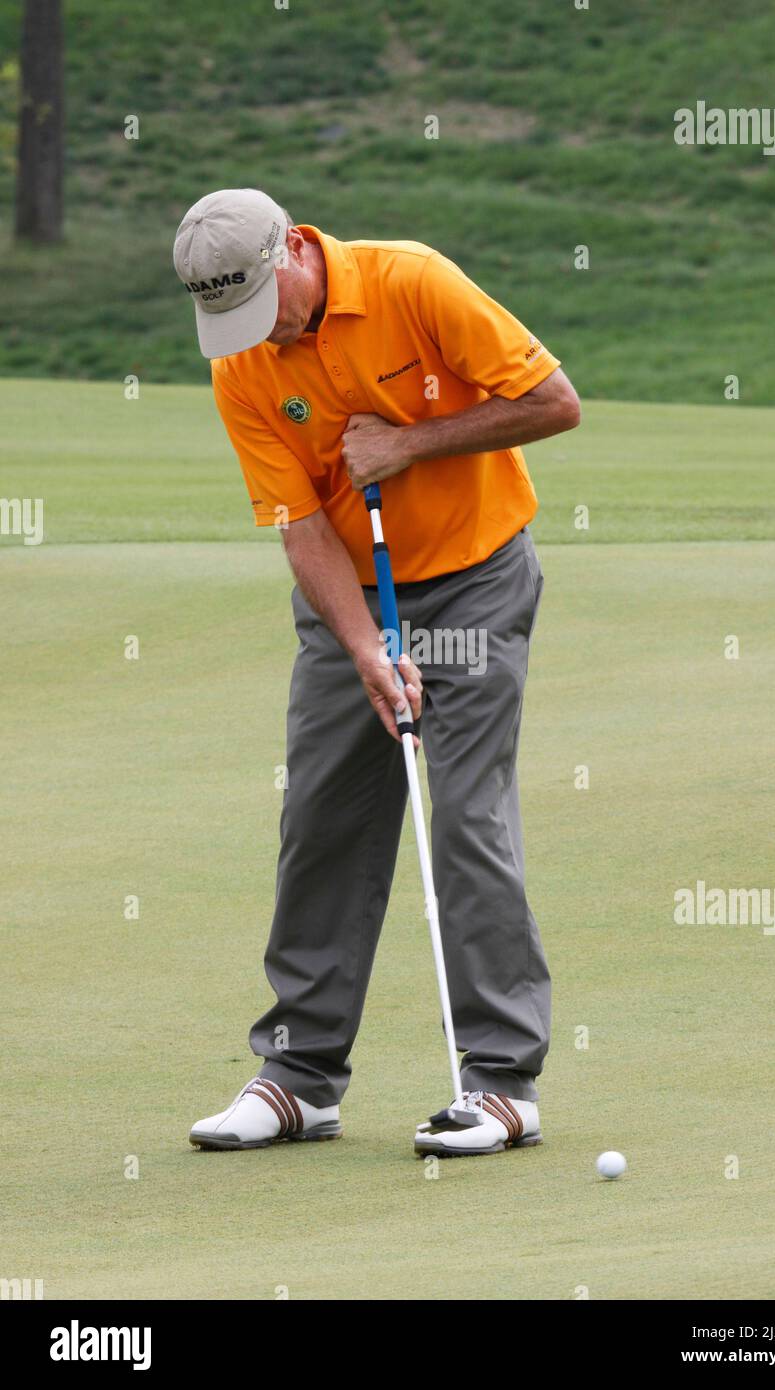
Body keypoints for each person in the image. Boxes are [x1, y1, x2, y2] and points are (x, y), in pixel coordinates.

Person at [172, 188, 580, 1157]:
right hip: (349, 601)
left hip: (475, 578)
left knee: (465, 817)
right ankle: (299, 1077)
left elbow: (552, 402)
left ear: (293, 256)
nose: (252, 334)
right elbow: (299, 522)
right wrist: (362, 645)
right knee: (321, 818)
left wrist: (409, 441)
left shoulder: (411, 280)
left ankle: (500, 1084)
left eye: (258, 306)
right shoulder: (243, 364)